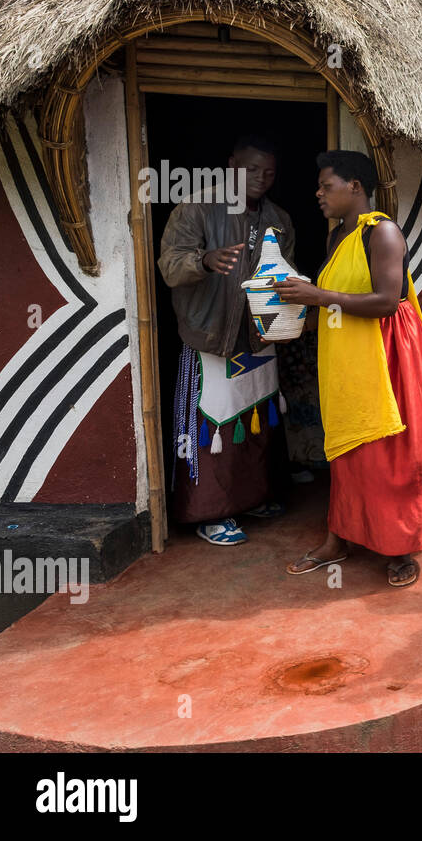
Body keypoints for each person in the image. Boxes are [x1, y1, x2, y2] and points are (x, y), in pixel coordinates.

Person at [276, 151, 422, 588]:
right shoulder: (335, 240)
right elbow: (332, 298)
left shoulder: (382, 232)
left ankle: (398, 546)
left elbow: (387, 300)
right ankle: (339, 538)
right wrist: (288, 314)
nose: (318, 193)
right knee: (347, 449)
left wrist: (316, 296)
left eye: (326, 186)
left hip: (386, 358)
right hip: (345, 358)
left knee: (388, 452)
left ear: (356, 188)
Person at [157, 135, 290, 546]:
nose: (261, 179)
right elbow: (170, 266)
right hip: (209, 339)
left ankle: (251, 498)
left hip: (257, 337)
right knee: (209, 425)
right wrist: (204, 261)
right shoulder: (197, 206)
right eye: (252, 170)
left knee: (254, 421)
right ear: (232, 164)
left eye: (268, 172)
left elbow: (284, 271)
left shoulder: (279, 218)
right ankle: (210, 513)